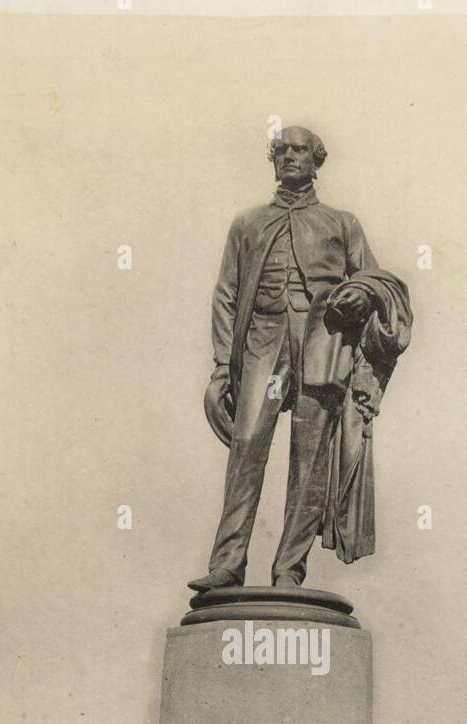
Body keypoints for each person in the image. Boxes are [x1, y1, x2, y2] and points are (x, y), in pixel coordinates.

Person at [189, 124, 411, 593]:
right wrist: (220, 366)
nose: (290, 156)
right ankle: (227, 563)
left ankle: (289, 569)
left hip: (321, 345)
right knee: (247, 444)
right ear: (273, 159)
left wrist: (358, 297)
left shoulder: (342, 223)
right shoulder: (247, 225)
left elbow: (376, 282)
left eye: (300, 150)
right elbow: (226, 296)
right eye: (282, 150)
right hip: (263, 343)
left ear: (317, 161)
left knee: (309, 459)